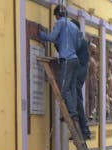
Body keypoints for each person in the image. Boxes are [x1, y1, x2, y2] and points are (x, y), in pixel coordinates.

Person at [37, 5, 81, 136]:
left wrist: (41, 34)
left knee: (63, 88)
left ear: (57, 15)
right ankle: (72, 113)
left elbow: (51, 37)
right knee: (71, 88)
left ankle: (71, 113)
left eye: (56, 16)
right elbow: (78, 45)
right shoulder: (74, 26)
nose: (55, 18)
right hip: (75, 60)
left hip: (66, 59)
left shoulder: (60, 23)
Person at [71, 19, 91, 140]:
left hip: (78, 76)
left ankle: (84, 130)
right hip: (79, 74)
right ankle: (81, 130)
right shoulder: (80, 41)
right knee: (76, 101)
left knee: (77, 102)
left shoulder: (80, 41)